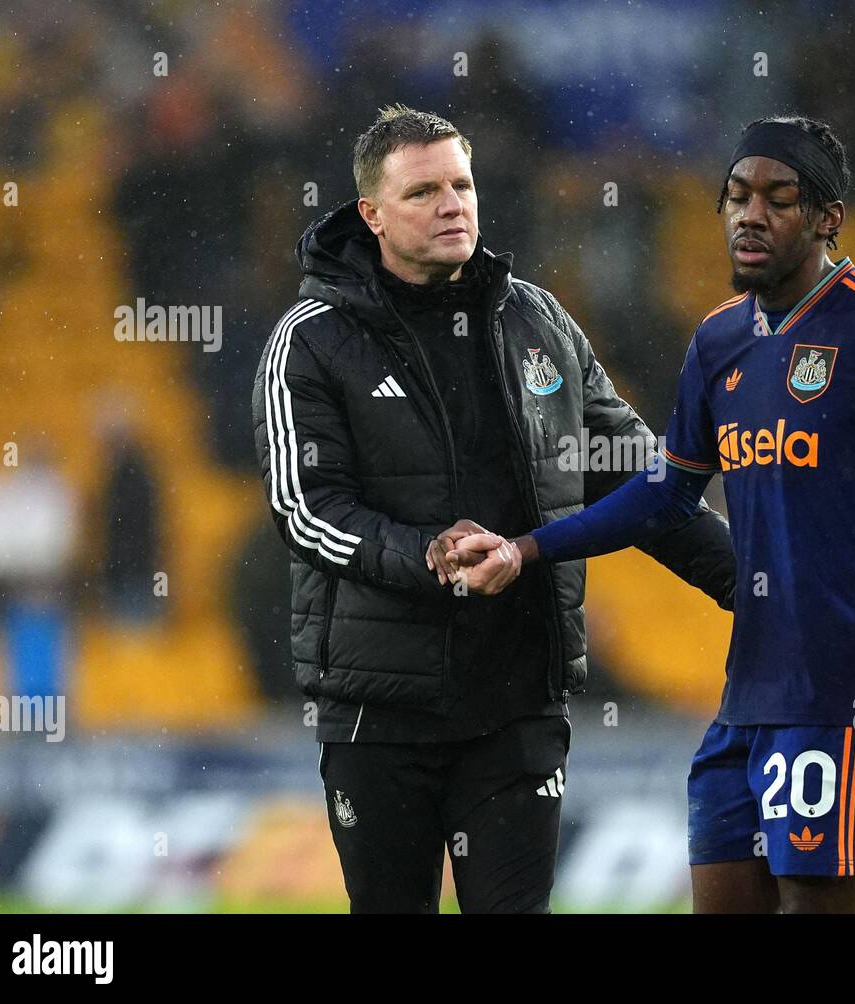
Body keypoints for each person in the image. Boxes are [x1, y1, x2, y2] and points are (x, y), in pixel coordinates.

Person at [449, 115, 855, 914]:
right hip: (746, 698)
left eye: (779, 198)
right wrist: (525, 548)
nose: (750, 215)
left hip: (845, 695)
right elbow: (664, 494)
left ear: (828, 218)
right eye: (737, 196)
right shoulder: (718, 341)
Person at [250, 105, 735, 914]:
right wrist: (428, 554)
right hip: (383, 712)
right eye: (424, 192)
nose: (453, 205)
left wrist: (754, 588)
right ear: (371, 215)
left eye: (462, 184)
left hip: (517, 703)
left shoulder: (537, 320)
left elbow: (645, 482)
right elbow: (305, 508)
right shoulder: (313, 339)